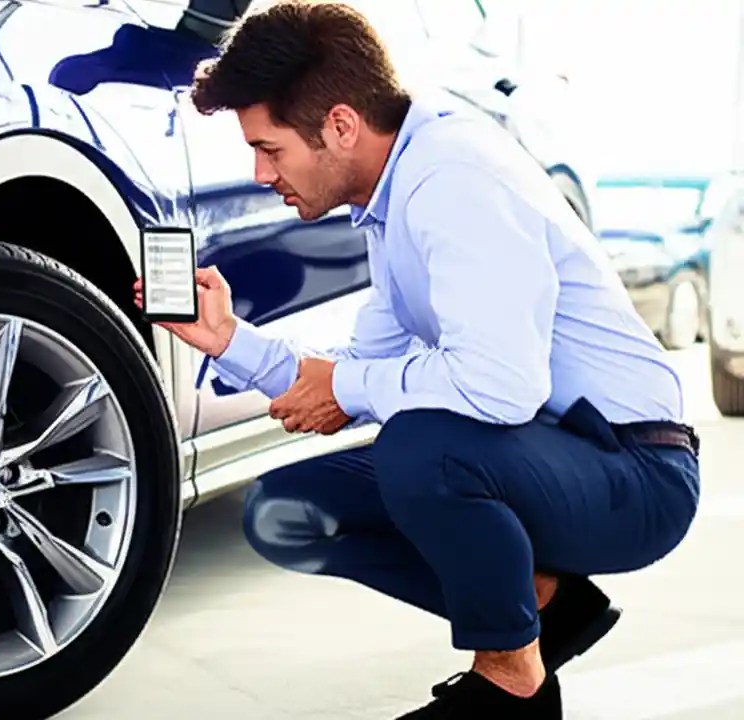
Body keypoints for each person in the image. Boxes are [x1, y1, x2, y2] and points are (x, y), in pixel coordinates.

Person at [132, 2, 701, 718]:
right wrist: (227, 341)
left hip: (635, 471)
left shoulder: (455, 179)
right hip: (550, 456)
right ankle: (548, 610)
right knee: (287, 512)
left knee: (421, 448)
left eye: (270, 148)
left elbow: (500, 386)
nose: (258, 171)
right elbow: (359, 370)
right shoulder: (393, 193)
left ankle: (510, 684)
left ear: (340, 125)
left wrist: (347, 386)